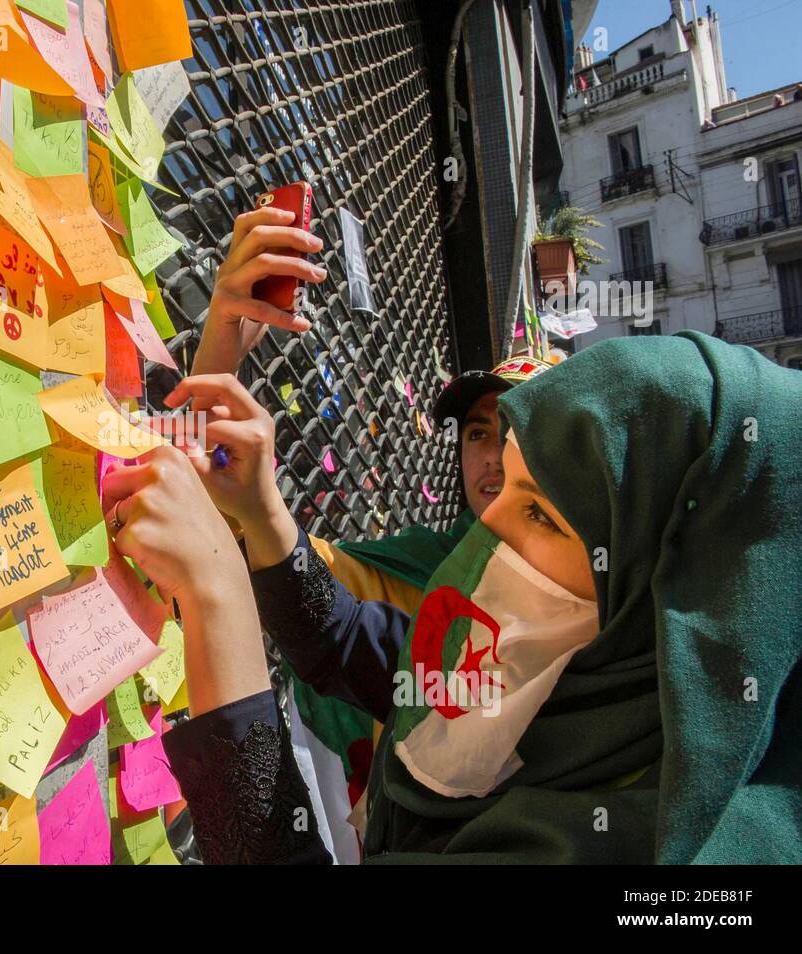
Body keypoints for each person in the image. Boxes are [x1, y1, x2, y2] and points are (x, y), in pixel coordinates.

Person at [103, 331, 802, 863]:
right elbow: (355, 646)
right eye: (490, 450)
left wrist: (220, 594)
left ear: (665, 587)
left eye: (540, 513)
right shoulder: (555, 667)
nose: (489, 522)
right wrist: (260, 512)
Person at [190, 204, 551, 833]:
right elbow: (257, 544)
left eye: (521, 430)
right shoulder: (419, 578)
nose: (493, 459)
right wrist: (221, 346)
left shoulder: (621, 616)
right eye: (477, 433)